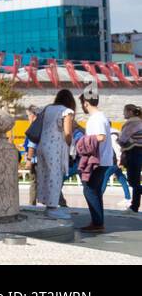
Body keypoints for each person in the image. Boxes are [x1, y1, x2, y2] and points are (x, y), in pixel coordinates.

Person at [34, 89, 75, 220]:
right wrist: (70, 145)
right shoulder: (66, 111)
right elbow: (68, 133)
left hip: (41, 145)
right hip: (55, 147)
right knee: (55, 175)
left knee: (45, 174)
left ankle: (47, 204)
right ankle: (52, 208)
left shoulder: (47, 109)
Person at [77, 84, 113, 233]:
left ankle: (97, 223)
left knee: (89, 190)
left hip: (98, 160)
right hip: (103, 160)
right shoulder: (100, 117)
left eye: (82, 104)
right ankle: (97, 222)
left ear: (86, 103)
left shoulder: (96, 119)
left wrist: (83, 141)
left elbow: (100, 137)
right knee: (94, 191)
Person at [119, 104, 142, 213]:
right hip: (139, 153)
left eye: (124, 111)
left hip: (133, 153)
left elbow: (122, 139)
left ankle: (134, 207)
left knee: (133, 182)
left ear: (130, 112)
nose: (123, 113)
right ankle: (134, 207)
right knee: (135, 181)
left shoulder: (131, 123)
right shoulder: (140, 122)